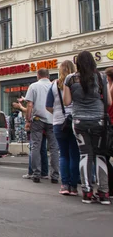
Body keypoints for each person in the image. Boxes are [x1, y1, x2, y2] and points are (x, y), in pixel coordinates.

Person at [64, 51, 110, 204]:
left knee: (85, 155)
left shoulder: (70, 79)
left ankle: (87, 191)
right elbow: (109, 102)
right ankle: (103, 192)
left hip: (79, 121)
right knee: (100, 155)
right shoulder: (101, 77)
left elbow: (67, 102)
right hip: (98, 120)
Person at [46, 60, 80, 196]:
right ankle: (73, 186)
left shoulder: (53, 85)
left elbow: (48, 106)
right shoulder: (77, 83)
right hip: (76, 121)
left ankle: (64, 185)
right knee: (74, 154)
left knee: (64, 155)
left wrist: (58, 114)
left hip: (59, 123)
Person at [25, 68, 59, 184]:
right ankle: (55, 175)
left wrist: (28, 120)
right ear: (48, 76)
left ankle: (36, 174)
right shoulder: (54, 85)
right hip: (53, 119)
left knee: (36, 146)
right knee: (54, 148)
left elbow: (30, 105)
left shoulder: (33, 86)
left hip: (38, 119)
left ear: (38, 75)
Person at [13, 98, 49, 180]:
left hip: (36, 124)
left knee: (34, 148)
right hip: (46, 124)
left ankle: (32, 172)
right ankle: (44, 172)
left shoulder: (34, 101)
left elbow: (30, 110)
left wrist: (21, 108)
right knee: (43, 149)